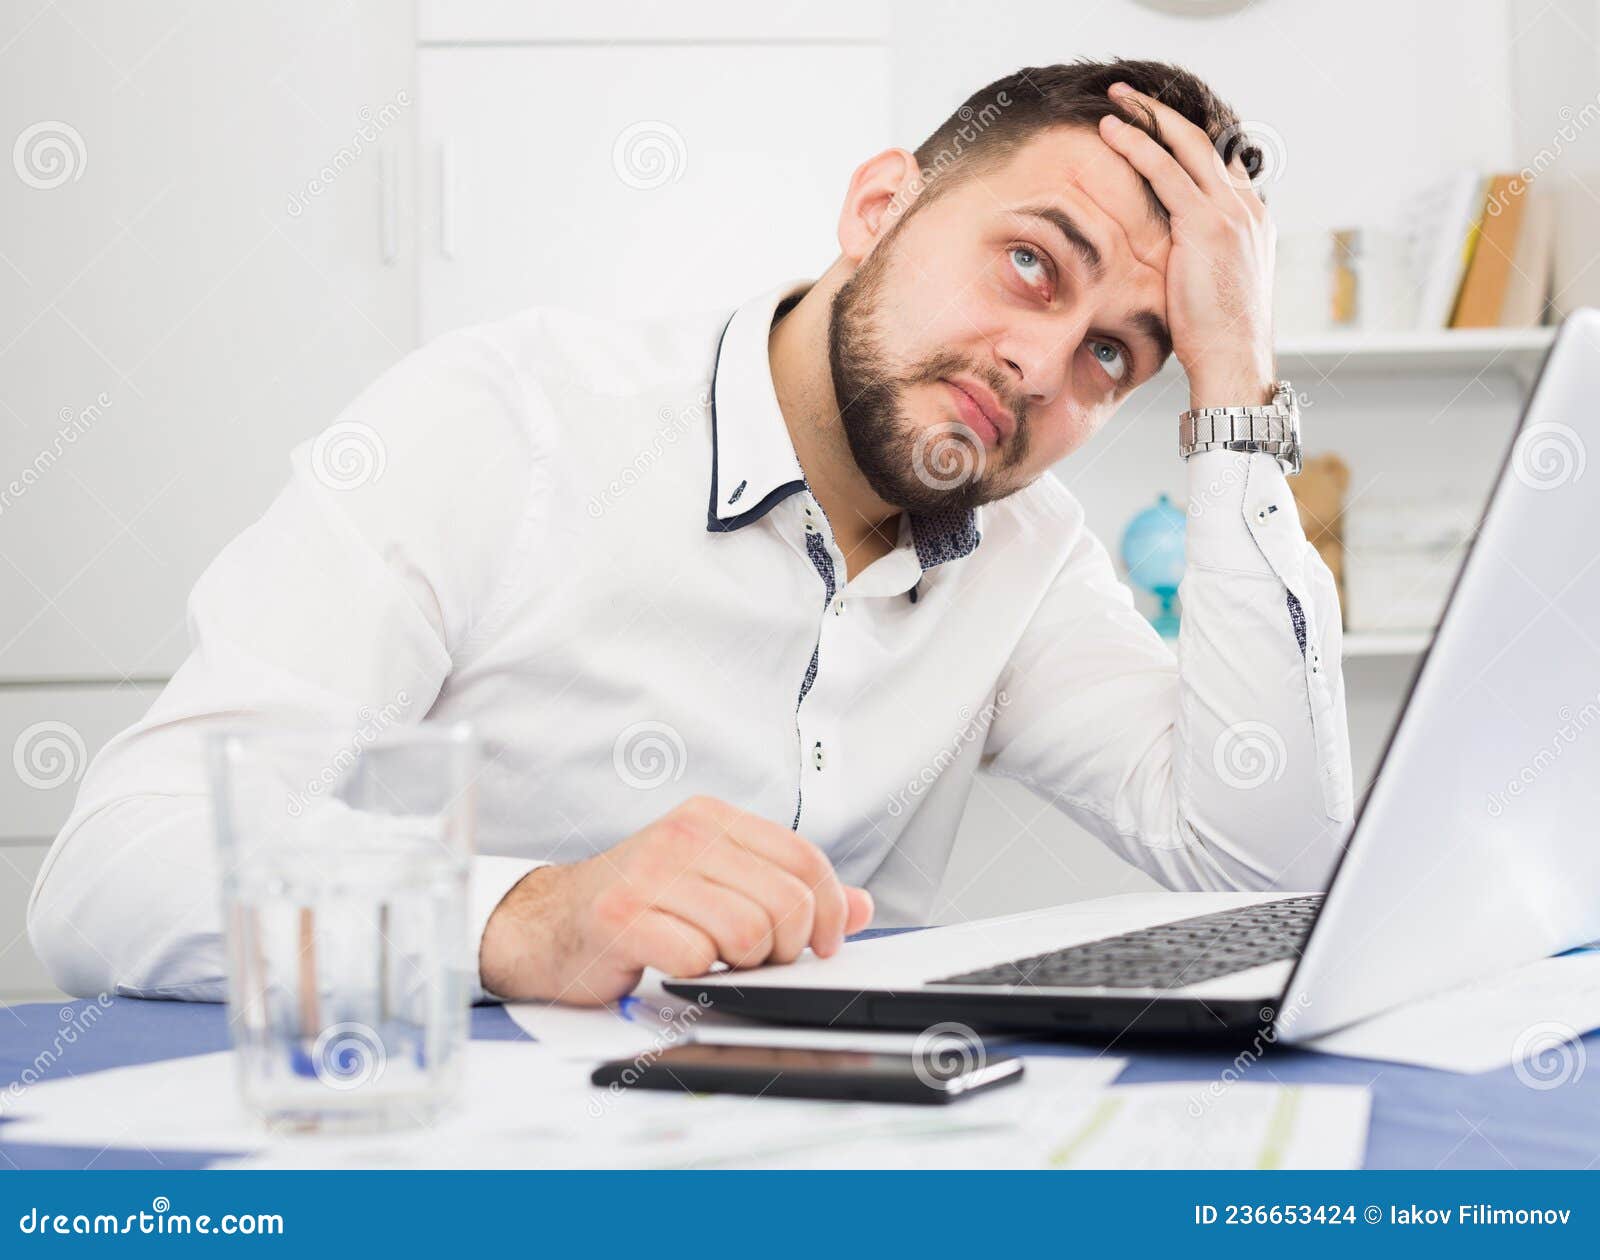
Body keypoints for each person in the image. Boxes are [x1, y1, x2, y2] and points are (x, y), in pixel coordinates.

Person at [29, 59, 1352, 1009]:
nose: (1038, 364)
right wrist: (521, 918)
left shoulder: (1032, 553)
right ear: (880, 207)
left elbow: (1267, 866)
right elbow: (113, 871)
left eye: (1117, 357)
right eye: (1031, 265)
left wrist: (1235, 383)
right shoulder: (503, 423)